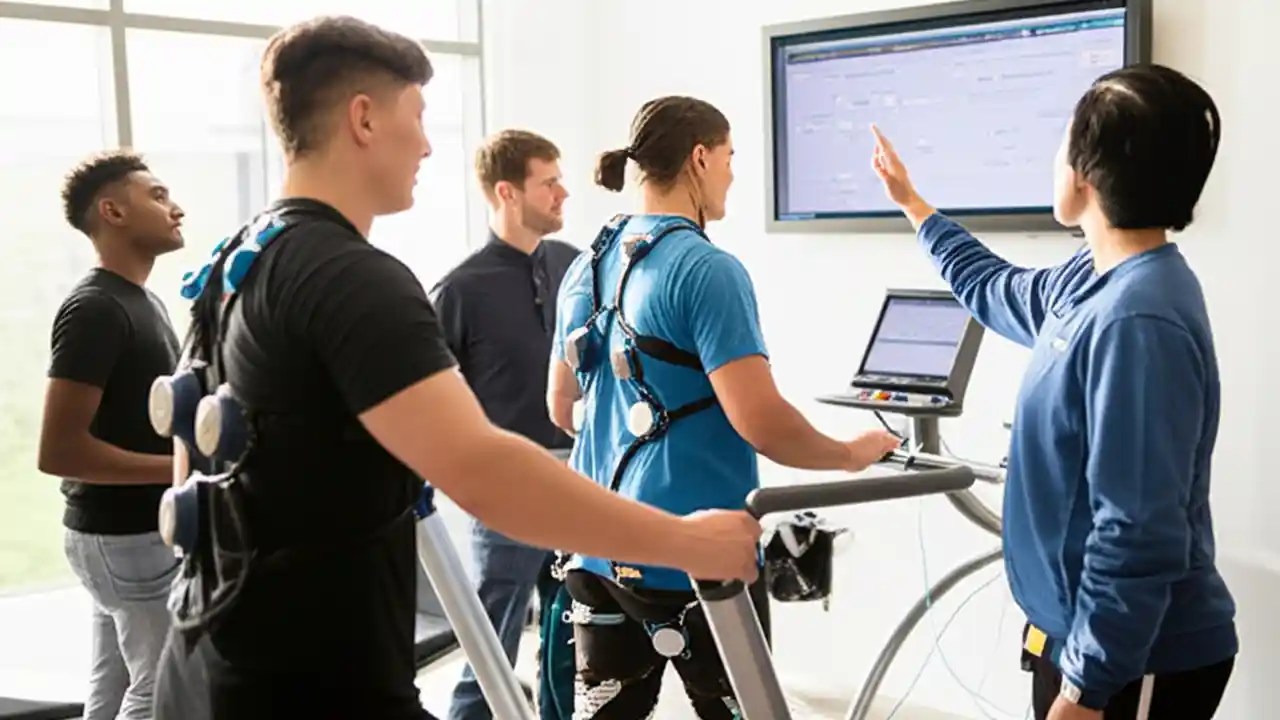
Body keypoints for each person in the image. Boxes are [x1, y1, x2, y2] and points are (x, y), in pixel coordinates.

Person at [157, 17, 760, 720]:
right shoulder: (353, 279)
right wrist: (686, 540)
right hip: (307, 683)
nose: (426, 144)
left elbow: (191, 467)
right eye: (416, 116)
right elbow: (482, 470)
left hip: (207, 657)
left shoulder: (238, 260)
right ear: (363, 118)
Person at [869, 63, 1237, 720]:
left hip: (1139, 660)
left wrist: (1086, 688)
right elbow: (992, 288)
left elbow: (1138, 530)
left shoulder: (1140, 318)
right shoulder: (1089, 280)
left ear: (1086, 173)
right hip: (1080, 639)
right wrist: (913, 205)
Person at [546, 95, 900, 719]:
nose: (733, 172)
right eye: (731, 157)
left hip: (596, 549)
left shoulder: (585, 265)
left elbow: (560, 406)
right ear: (700, 157)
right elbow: (760, 421)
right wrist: (850, 454)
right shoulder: (706, 271)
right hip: (697, 561)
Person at [431, 129, 578, 720]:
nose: (563, 193)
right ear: (507, 193)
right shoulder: (459, 290)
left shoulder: (573, 265)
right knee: (491, 641)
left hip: (576, 482)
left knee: (570, 640)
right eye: (549, 183)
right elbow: (436, 401)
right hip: (506, 493)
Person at [37, 151, 185, 720]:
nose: (177, 209)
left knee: (116, 683)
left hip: (128, 539)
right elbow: (60, 452)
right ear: (112, 211)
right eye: (158, 195)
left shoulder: (143, 300)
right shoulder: (96, 308)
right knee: (161, 692)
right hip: (124, 538)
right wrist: (178, 467)